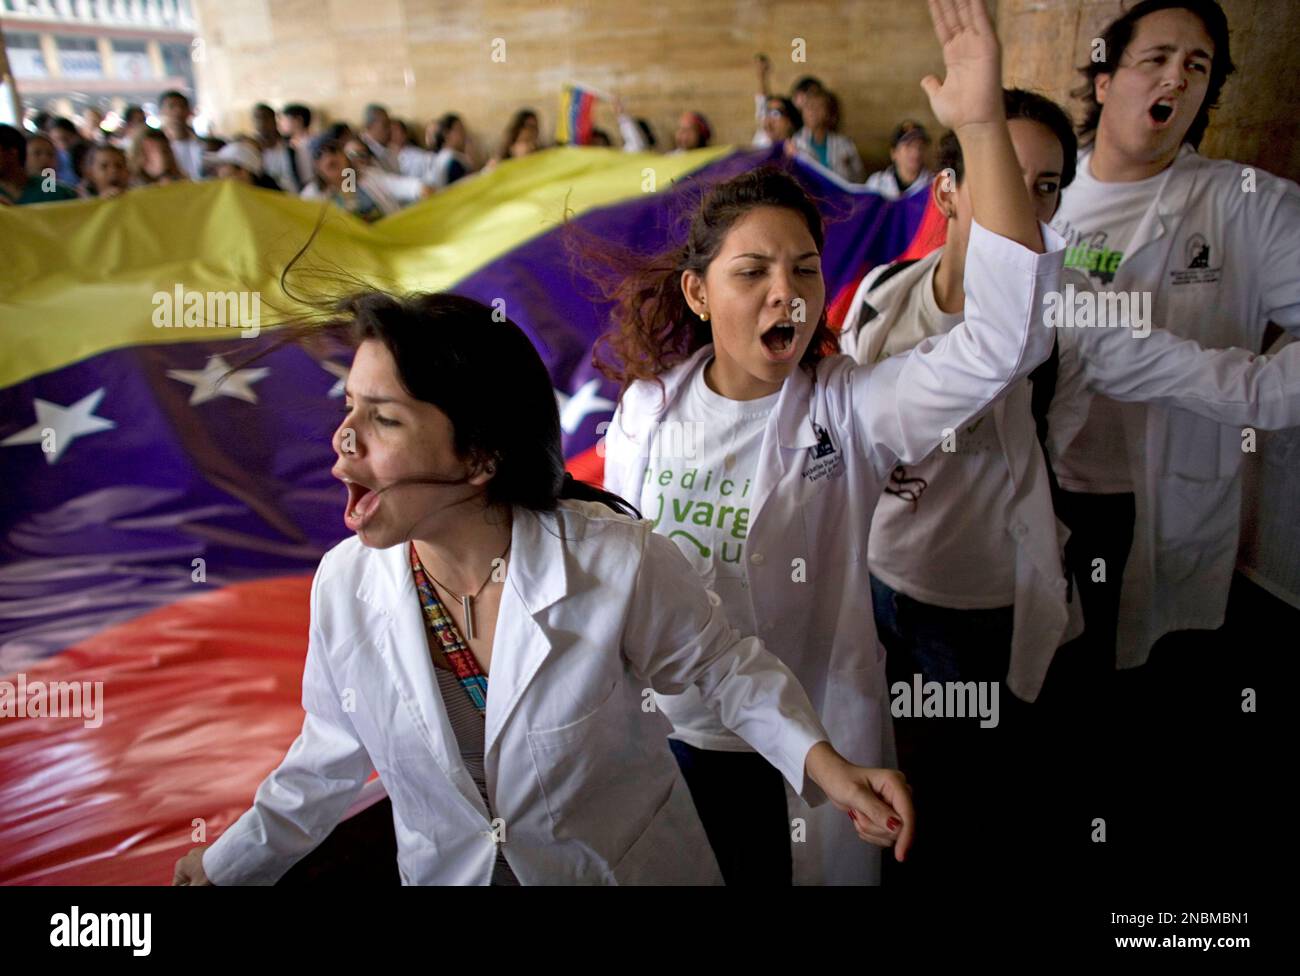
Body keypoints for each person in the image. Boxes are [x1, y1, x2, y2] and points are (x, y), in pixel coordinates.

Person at [170, 292, 914, 885]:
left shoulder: (610, 564)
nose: (345, 440)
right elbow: (324, 761)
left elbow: (725, 669)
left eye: (384, 418)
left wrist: (830, 769)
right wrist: (222, 869)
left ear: (478, 458)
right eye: (348, 409)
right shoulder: (343, 587)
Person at [599, 0, 1061, 885]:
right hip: (678, 736)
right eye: (753, 272)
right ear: (698, 295)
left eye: (805, 269)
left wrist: (979, 123)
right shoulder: (648, 411)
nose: (786, 292)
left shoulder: (853, 409)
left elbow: (1004, 338)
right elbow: (624, 575)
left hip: (815, 739)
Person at [840, 86, 1300, 881]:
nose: (1026, 200)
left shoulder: (1073, 313)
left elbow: (1221, 383)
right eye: (1002, 173)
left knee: (977, 792)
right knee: (893, 770)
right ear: (946, 190)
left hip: (985, 606)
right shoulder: (885, 292)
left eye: (1046, 185)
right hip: (883, 587)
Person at [1049, 0, 1300, 670]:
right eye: (1156, 59)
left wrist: (1261, 391)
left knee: (1142, 669)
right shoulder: (1048, 195)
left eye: (1197, 67)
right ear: (1104, 83)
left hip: (1157, 498)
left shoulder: (1248, 204)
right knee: (1048, 671)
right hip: (1046, 486)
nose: (1177, 79)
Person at [301, 135, 400, 222]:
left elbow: (400, 186)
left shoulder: (369, 175)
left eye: (333, 150)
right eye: (319, 155)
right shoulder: (310, 196)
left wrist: (415, 189)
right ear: (316, 167)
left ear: (345, 156)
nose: (328, 157)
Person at [791, 89, 865, 182]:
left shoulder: (844, 144)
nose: (812, 111)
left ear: (829, 113)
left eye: (819, 106)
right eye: (808, 106)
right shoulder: (794, 144)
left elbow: (858, 177)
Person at [0, 125, 78, 204]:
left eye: (50, 154)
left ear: (12, 153)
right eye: (37, 153)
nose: (45, 159)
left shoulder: (58, 194)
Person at [864, 120, 933, 199]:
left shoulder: (933, 185)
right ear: (894, 153)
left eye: (920, 146)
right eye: (909, 146)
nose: (916, 152)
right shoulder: (877, 184)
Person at [252, 102, 303, 192]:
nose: (262, 123)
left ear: (275, 120)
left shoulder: (291, 148)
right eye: (257, 118)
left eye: (266, 118)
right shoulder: (252, 152)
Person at [158, 89, 204, 180]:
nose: (178, 111)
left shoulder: (202, 144)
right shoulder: (157, 147)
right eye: (172, 107)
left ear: (189, 112)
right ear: (161, 112)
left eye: (183, 106)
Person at [427, 112, 473, 186]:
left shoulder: (450, 155)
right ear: (446, 134)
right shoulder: (450, 160)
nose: (463, 133)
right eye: (459, 130)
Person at [282, 102, 316, 189]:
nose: (282, 123)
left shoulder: (311, 143)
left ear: (299, 120)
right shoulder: (288, 144)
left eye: (285, 119)